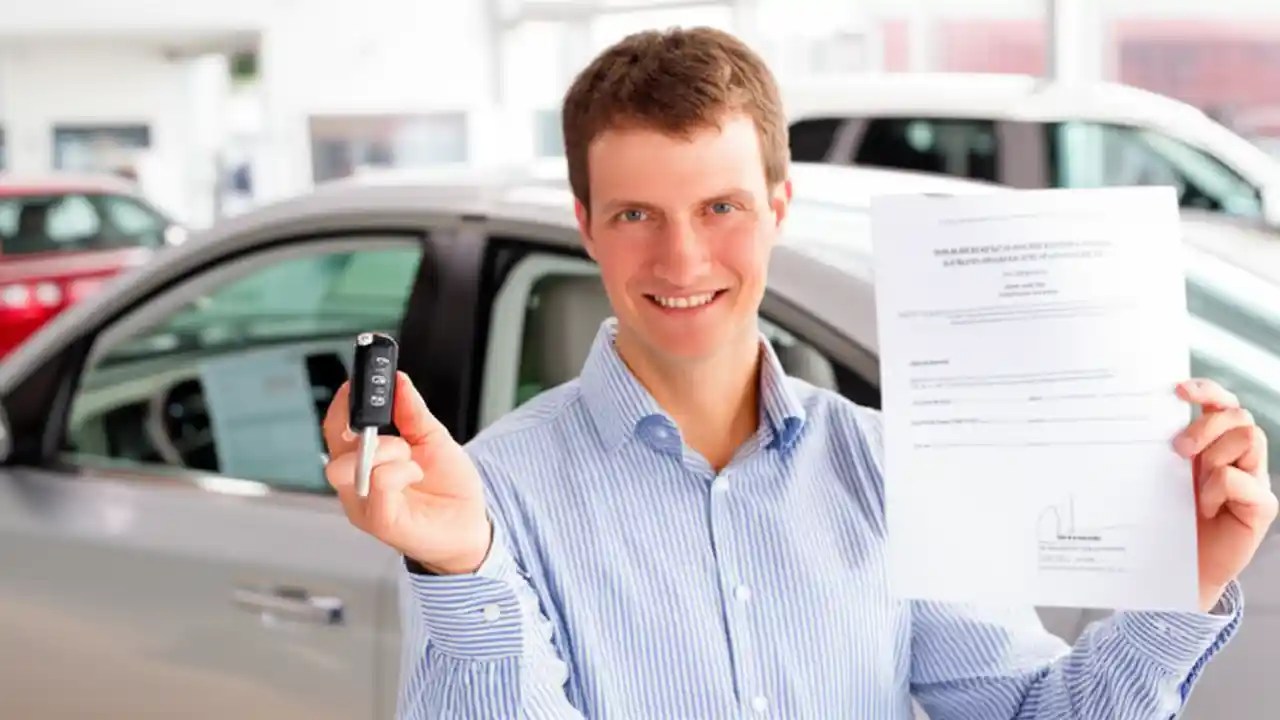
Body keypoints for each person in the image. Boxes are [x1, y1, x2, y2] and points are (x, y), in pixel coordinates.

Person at [321, 27, 1277, 719]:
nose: (684, 261)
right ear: (585, 226)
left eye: (721, 206)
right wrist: (460, 564)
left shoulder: (886, 466)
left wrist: (1179, 583)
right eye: (635, 215)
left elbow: (1034, 714)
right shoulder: (496, 501)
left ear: (780, 204)